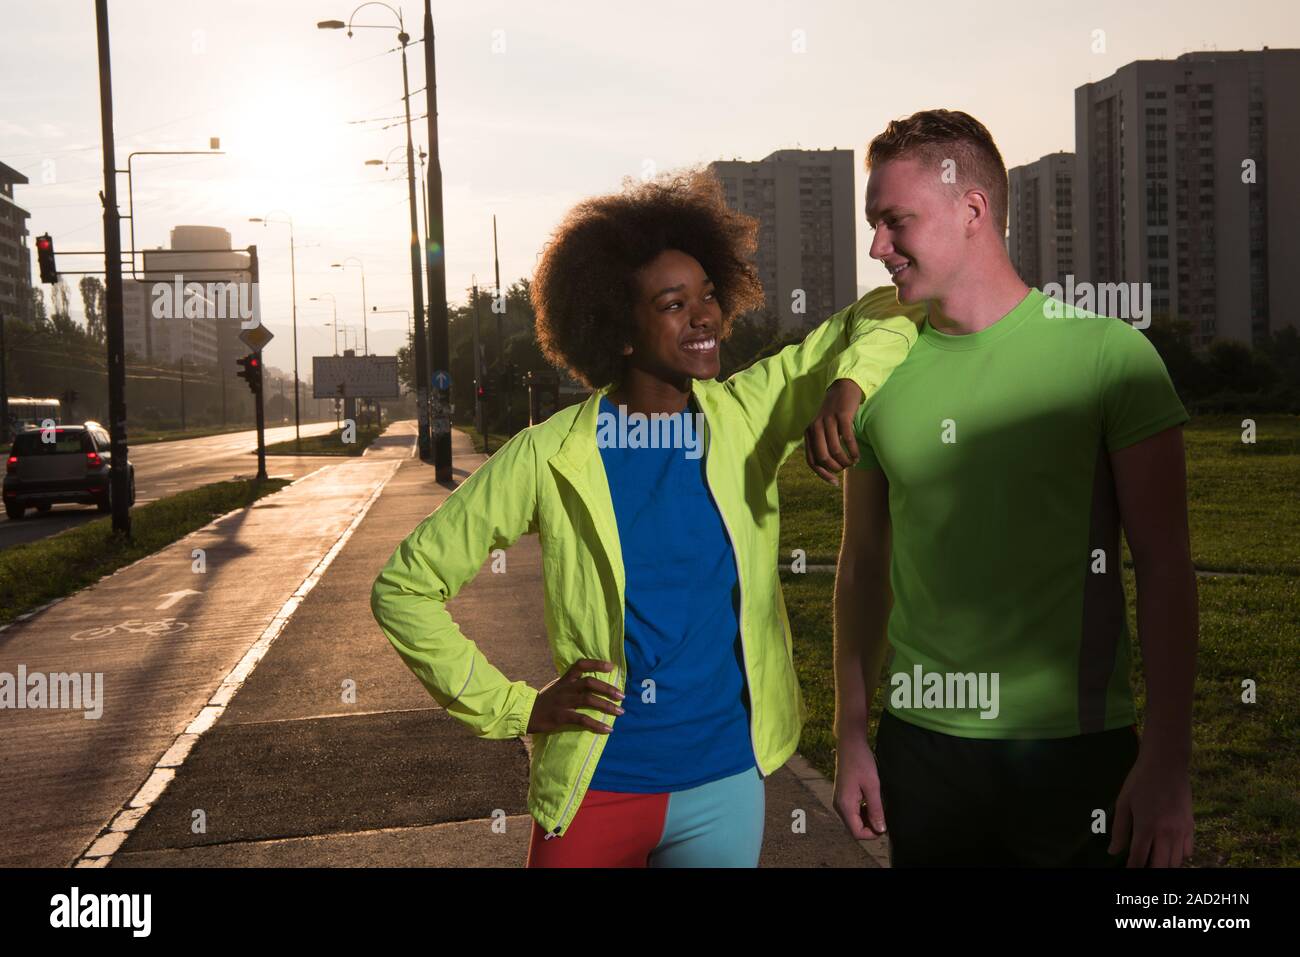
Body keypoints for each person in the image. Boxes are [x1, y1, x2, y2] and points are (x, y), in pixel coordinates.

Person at [370, 168, 922, 867]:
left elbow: (886, 310)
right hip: (600, 789)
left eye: (709, 296)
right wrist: (515, 707)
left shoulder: (748, 416)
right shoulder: (548, 455)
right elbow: (403, 588)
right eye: (673, 303)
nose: (705, 317)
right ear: (619, 329)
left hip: (724, 783)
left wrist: (850, 383)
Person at [806, 110, 1198, 867]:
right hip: (921, 750)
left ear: (972, 210)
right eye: (873, 224)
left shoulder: (1111, 358)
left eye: (895, 221)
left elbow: (1165, 566)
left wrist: (1169, 763)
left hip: (1073, 753)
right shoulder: (875, 375)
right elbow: (861, 566)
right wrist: (852, 734)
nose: (876, 246)